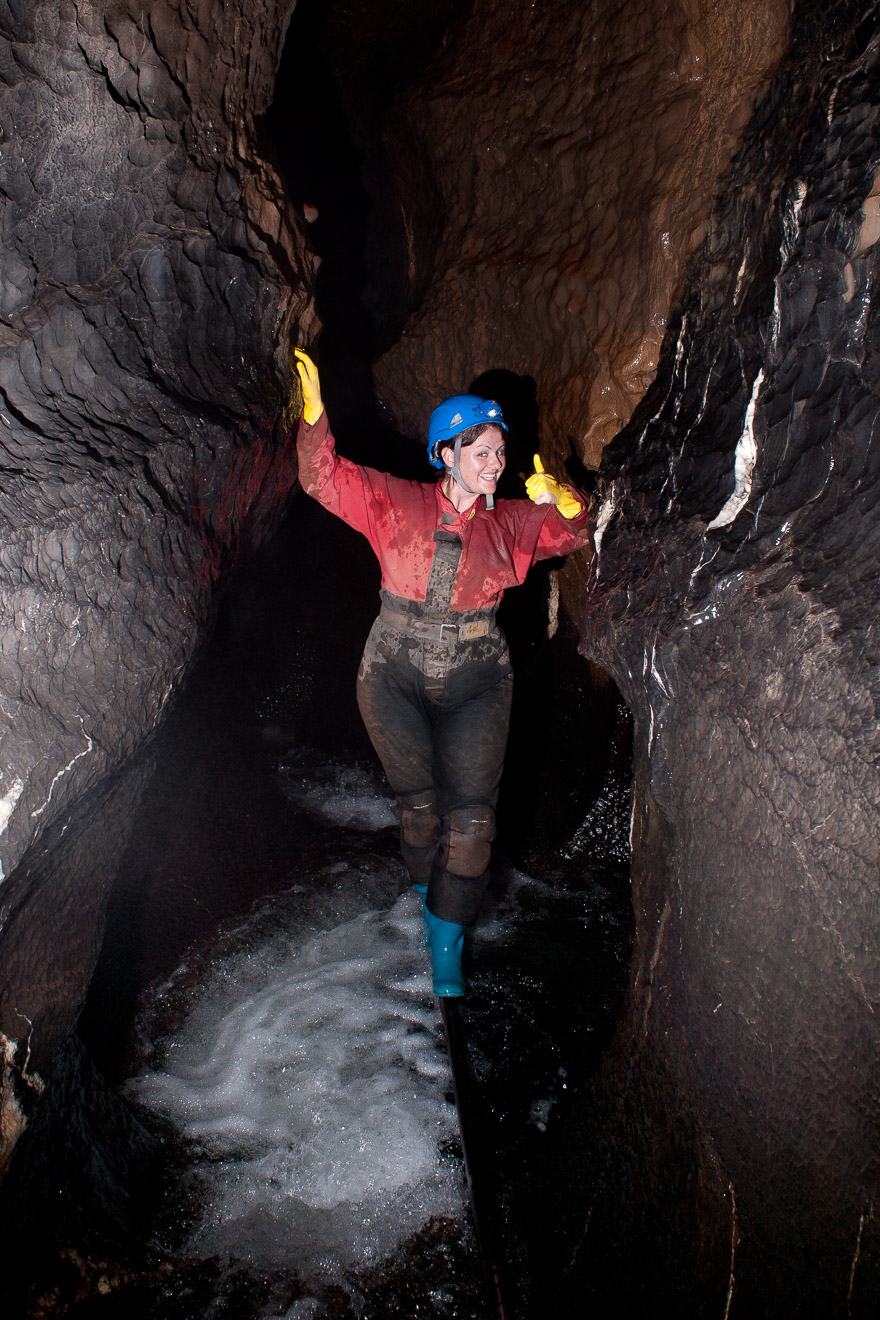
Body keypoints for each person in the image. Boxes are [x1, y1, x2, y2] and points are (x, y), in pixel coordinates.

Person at [292, 348, 593, 996]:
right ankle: (434, 890)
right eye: (480, 451)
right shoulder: (395, 502)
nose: (495, 462)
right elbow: (324, 479)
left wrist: (561, 496)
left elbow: (582, 528)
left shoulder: (514, 521)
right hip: (393, 668)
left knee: (473, 822)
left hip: (477, 674)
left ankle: (446, 944)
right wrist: (315, 416)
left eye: (499, 450)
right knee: (421, 811)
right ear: (445, 455)